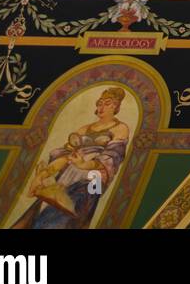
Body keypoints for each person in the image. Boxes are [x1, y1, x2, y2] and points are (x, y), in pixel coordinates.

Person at [13, 86, 129, 229]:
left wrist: (84, 165)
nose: (101, 107)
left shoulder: (120, 128)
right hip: (69, 175)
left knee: (68, 216)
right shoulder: (83, 129)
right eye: (99, 103)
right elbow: (65, 156)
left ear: (116, 106)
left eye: (107, 103)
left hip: (94, 179)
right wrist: (42, 175)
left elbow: (112, 157)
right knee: (43, 212)